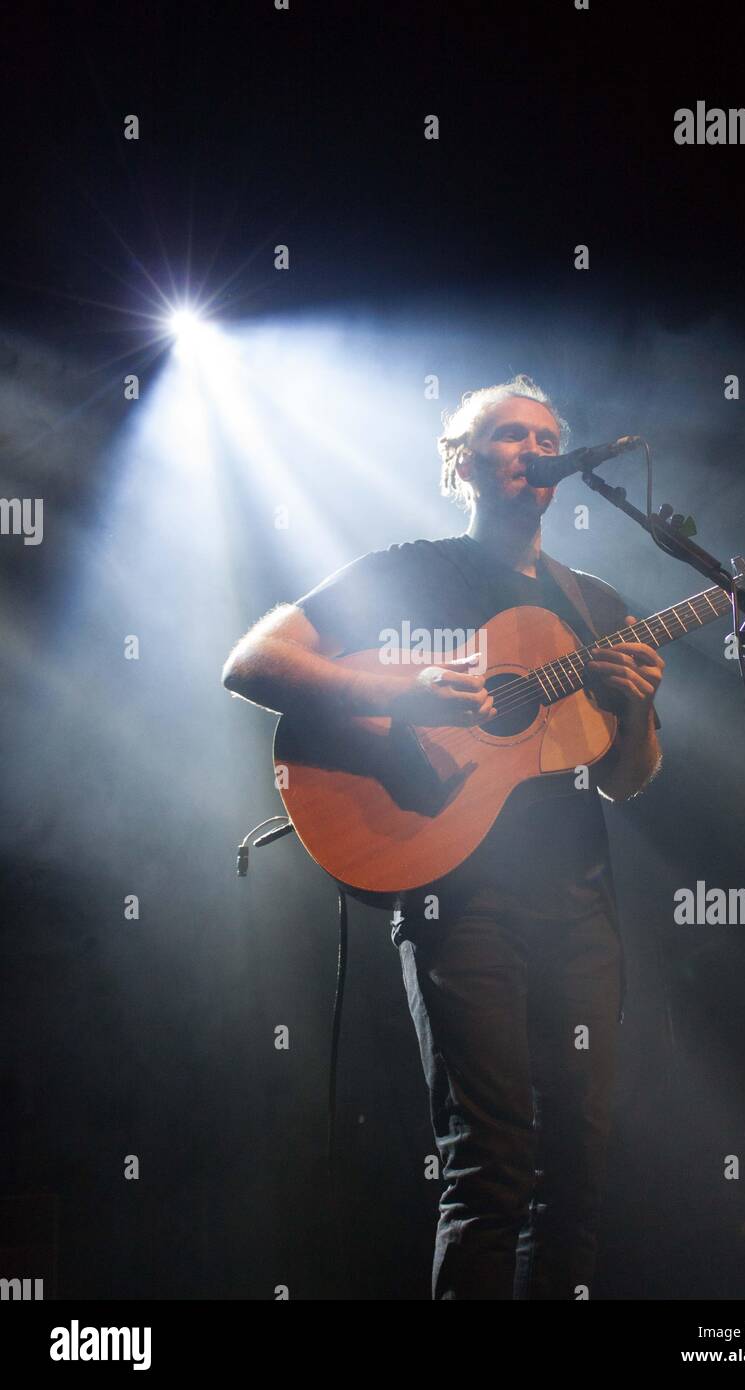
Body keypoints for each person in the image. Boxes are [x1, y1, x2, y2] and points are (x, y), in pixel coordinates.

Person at [221, 374, 665, 1299]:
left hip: (580, 907)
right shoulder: (412, 567)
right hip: (455, 895)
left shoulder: (595, 602)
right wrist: (398, 692)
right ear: (460, 462)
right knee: (491, 1164)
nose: (532, 452)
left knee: (579, 1169)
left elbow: (627, 779)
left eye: (546, 438)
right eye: (508, 435)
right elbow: (252, 659)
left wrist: (635, 709)